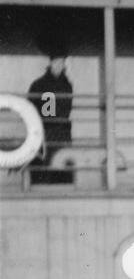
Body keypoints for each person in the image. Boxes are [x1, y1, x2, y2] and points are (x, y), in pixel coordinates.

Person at [26, 41, 74, 185]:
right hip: (45, 133)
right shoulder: (40, 84)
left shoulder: (67, 85)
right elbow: (39, 111)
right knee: (44, 169)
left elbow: (66, 110)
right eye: (57, 62)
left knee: (62, 169)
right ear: (51, 63)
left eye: (62, 62)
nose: (59, 65)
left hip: (62, 134)